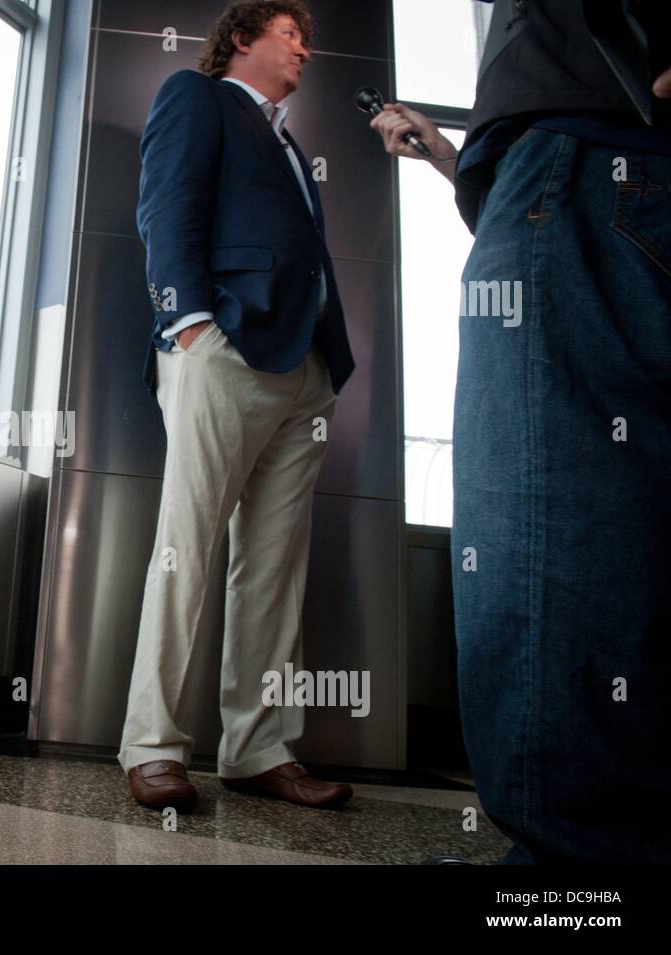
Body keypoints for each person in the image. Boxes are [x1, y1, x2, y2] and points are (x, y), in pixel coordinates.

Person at [369, 0, 671, 863]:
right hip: (582, 172)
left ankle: (570, 882)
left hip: (588, 165)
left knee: (548, 537)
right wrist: (447, 156)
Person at [120, 0, 355, 814]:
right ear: (243, 39)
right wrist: (186, 324)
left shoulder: (288, 140)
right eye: (292, 34)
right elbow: (164, 205)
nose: (304, 51)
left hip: (306, 368)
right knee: (186, 547)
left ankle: (258, 747)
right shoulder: (198, 95)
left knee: (275, 568)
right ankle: (152, 745)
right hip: (220, 348)